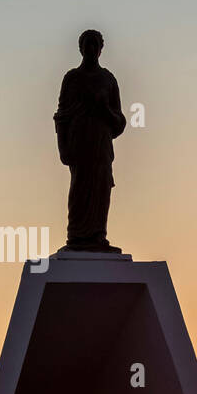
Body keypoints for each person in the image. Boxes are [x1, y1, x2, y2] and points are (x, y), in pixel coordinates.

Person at [54, 29, 126, 251]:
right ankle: (77, 236)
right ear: (81, 48)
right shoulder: (72, 78)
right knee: (79, 189)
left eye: (95, 45)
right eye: (88, 44)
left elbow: (119, 121)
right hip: (80, 145)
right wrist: (63, 146)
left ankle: (98, 235)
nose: (91, 49)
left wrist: (103, 108)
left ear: (101, 49)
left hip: (101, 145)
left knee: (101, 188)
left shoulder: (108, 79)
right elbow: (62, 116)